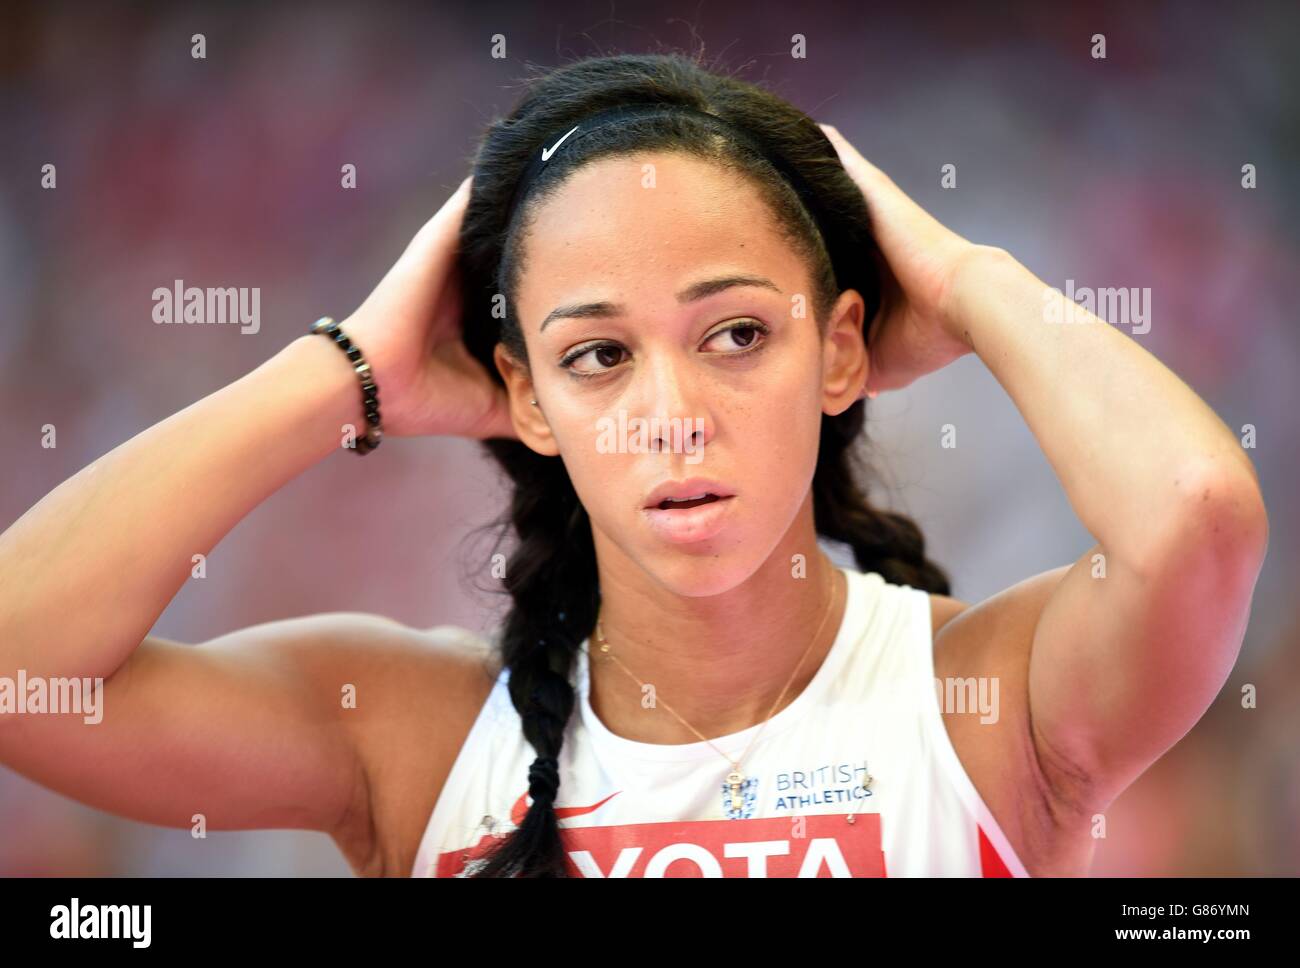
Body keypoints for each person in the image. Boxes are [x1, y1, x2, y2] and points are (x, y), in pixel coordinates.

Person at [0, 52, 1268, 878]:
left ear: (839, 354)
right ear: (525, 400)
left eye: (734, 334)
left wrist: (963, 277)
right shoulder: (411, 733)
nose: (672, 415)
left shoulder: (991, 701)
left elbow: (1198, 516)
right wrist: (347, 370)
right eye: (597, 355)